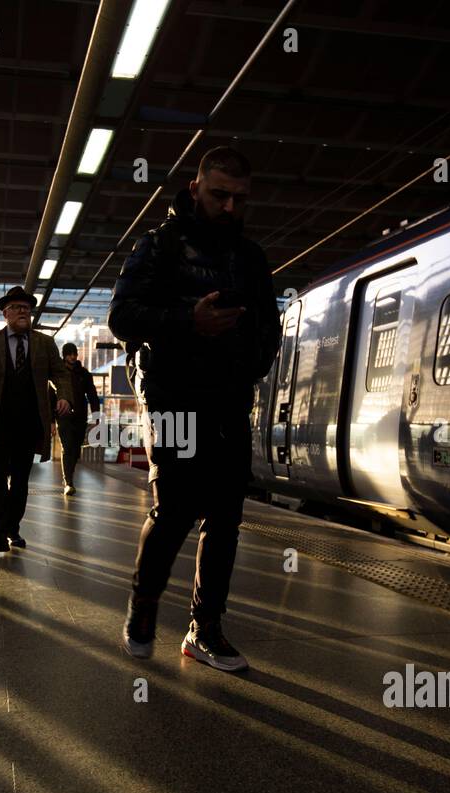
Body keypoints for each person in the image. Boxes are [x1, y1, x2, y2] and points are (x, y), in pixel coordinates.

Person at [107, 146, 282, 672]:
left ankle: (204, 630)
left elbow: (268, 329)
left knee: (226, 515)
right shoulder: (158, 247)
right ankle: (143, 609)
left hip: (228, 398)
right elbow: (123, 317)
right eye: (219, 195)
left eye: (240, 199)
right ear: (195, 188)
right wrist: (189, 320)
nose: (230, 207)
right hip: (172, 397)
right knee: (174, 509)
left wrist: (246, 363)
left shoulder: (250, 258)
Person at [0, 286, 73, 551]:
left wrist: (64, 396)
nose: (23, 311)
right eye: (17, 307)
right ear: (5, 313)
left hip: (29, 425)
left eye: (27, 307)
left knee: (21, 482)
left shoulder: (44, 343)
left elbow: (60, 373)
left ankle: (12, 526)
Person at [56, 343, 101, 496]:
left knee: (75, 450)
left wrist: (96, 416)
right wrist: (50, 420)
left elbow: (93, 396)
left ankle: (69, 477)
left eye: (74, 354)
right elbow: (49, 396)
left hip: (80, 417)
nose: (73, 357)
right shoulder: (58, 373)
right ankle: (68, 482)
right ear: (64, 355)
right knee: (67, 447)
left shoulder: (84, 374)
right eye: (69, 354)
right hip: (63, 416)